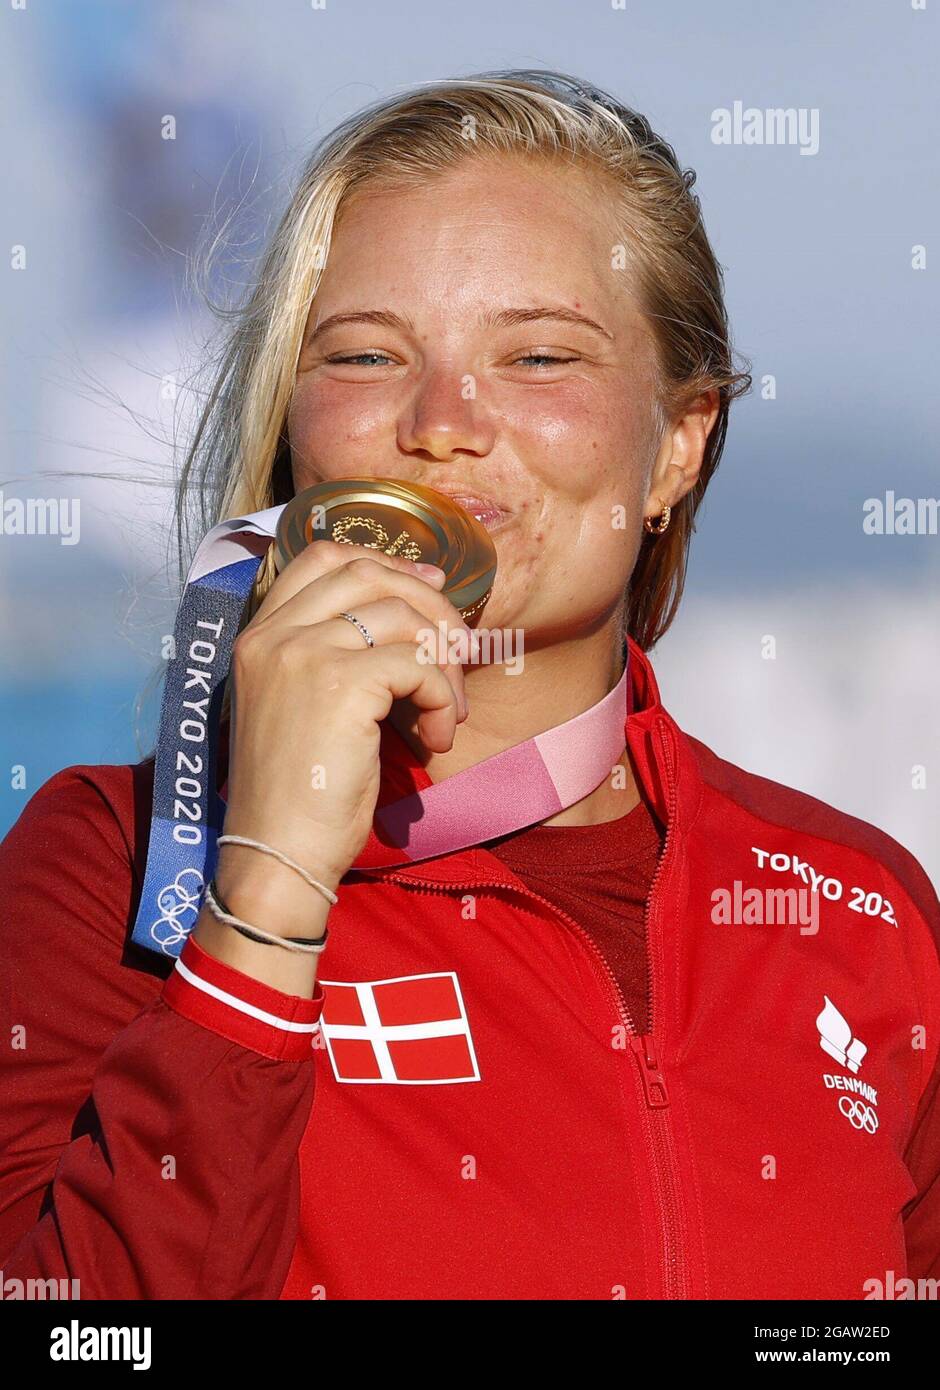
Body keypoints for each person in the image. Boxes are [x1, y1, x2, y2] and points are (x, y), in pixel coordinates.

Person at [1, 69, 937, 1302]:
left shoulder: (854, 906)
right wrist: (260, 908)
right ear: (293, 433)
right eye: (367, 354)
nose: (443, 422)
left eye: (541, 354)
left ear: (676, 443)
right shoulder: (115, 866)